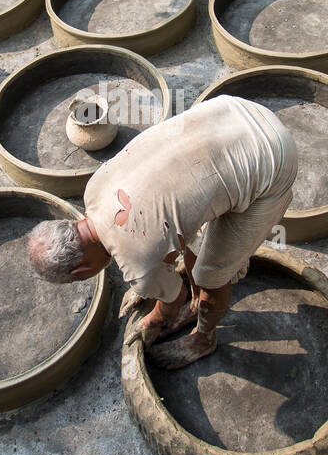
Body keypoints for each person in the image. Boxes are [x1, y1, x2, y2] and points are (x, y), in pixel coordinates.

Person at [27, 94, 298, 369]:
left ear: (80, 273)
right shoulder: (94, 189)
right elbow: (161, 228)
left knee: (213, 276)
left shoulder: (137, 265)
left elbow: (173, 298)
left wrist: (158, 310)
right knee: (194, 239)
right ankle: (198, 305)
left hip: (273, 160)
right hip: (234, 110)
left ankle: (205, 338)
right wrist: (151, 280)